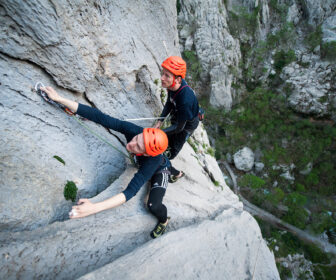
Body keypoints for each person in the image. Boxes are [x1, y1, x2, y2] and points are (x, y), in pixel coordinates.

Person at [42, 86, 171, 239]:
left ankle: (164, 220)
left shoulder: (152, 161)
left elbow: (129, 192)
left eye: (138, 147)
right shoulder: (135, 131)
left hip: (160, 169)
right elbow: (101, 117)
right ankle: (176, 173)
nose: (132, 145)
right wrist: (60, 99)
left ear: (147, 153)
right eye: (136, 139)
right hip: (152, 159)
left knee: (153, 205)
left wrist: (93, 208)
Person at [154, 56, 200, 182]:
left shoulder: (185, 99)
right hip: (179, 116)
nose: (162, 78)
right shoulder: (172, 85)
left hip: (187, 125)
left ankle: (173, 173)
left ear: (178, 79)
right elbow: (169, 103)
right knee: (165, 140)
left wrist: (160, 132)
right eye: (163, 74)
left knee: (172, 152)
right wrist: (160, 121)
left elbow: (180, 127)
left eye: (167, 76)